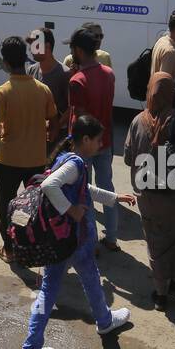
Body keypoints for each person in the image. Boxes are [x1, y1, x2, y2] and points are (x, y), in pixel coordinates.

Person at [16, 115, 136, 349]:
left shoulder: (69, 160)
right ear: (85, 140)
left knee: (66, 286)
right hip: (74, 239)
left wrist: (116, 198)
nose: (100, 144)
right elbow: (50, 185)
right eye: (98, 140)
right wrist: (71, 210)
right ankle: (104, 321)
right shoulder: (76, 163)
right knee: (85, 279)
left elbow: (86, 189)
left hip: (62, 241)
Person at [124, 71, 175, 310]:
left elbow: (129, 159)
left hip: (150, 198)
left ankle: (161, 294)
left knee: (156, 242)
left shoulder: (137, 121)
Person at [0, 36, 58, 262]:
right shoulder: (42, 89)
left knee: (6, 206)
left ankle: (9, 250)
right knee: (34, 207)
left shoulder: (2, 92)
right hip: (36, 161)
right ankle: (32, 246)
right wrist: (46, 136)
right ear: (25, 58)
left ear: (6, 63)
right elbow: (53, 120)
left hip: (8, 161)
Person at [67, 27, 120, 251]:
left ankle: (90, 244)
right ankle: (112, 239)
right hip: (105, 140)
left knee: (84, 193)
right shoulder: (109, 73)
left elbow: (79, 118)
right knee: (107, 189)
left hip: (85, 146)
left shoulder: (77, 80)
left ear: (78, 50)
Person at [27, 27, 68, 137]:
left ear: (47, 46)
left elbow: (72, 108)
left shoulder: (64, 74)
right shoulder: (31, 70)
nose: (31, 50)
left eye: (35, 46)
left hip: (56, 137)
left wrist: (55, 127)